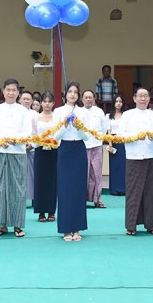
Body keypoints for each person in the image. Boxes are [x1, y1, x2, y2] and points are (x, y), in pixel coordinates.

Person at [0, 78, 33, 238]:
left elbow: (27, 131)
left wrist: (16, 140)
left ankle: (18, 225)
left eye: (14, 90)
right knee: (2, 188)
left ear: (18, 92)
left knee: (18, 188)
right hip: (1, 151)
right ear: (3, 91)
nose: (11, 93)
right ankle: (2, 225)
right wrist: (0, 140)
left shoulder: (23, 111)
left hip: (18, 152)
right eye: (8, 90)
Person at [119, 87, 153, 236]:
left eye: (146, 96)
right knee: (133, 191)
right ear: (134, 98)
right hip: (134, 156)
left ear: (149, 98)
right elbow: (120, 134)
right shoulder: (127, 115)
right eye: (140, 96)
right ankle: (131, 226)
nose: (143, 99)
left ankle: (151, 225)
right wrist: (135, 136)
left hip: (151, 155)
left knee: (151, 191)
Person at [53, 81, 90, 241]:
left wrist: (78, 126)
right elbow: (56, 136)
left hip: (79, 150)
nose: (73, 94)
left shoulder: (83, 112)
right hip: (65, 150)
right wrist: (64, 123)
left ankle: (77, 228)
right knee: (65, 189)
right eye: (70, 91)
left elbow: (87, 137)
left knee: (78, 189)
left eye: (75, 92)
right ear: (65, 94)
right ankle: (66, 229)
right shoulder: (58, 111)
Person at [81, 89, 108, 208]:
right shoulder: (79, 112)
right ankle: (82, 199)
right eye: (86, 97)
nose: (88, 99)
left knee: (96, 173)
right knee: (84, 173)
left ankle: (98, 199)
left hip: (96, 145)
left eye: (90, 97)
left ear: (94, 99)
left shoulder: (99, 111)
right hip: (83, 146)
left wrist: (99, 138)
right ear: (82, 100)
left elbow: (104, 127)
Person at [33, 91, 57, 222]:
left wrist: (54, 141)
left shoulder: (57, 117)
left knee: (53, 180)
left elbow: (59, 133)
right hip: (40, 150)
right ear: (41, 103)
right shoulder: (35, 118)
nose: (47, 104)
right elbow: (33, 134)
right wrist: (39, 142)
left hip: (54, 151)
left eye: (49, 102)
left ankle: (51, 211)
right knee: (40, 180)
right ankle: (41, 211)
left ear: (53, 103)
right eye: (45, 101)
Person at [106, 96, 126, 196]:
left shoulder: (125, 115)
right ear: (113, 103)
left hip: (123, 141)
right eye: (116, 101)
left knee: (123, 165)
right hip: (113, 142)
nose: (118, 103)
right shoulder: (108, 115)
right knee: (114, 166)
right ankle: (114, 189)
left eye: (120, 101)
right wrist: (110, 143)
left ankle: (123, 188)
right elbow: (108, 131)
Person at [20, 90, 37, 203]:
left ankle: (34, 197)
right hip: (17, 148)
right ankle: (19, 198)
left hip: (32, 147)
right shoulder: (16, 112)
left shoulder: (35, 115)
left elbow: (37, 132)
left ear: (32, 101)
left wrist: (32, 144)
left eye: (28, 99)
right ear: (20, 100)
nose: (26, 101)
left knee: (32, 174)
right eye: (24, 99)